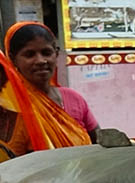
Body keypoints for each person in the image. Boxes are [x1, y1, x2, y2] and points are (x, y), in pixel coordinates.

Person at [0, 22, 97, 163]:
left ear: (56, 53)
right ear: (13, 58)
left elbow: (100, 143)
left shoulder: (73, 98)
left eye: (46, 52)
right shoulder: (11, 108)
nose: (40, 61)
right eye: (29, 54)